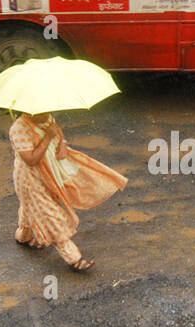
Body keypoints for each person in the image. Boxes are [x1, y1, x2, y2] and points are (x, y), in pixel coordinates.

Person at [10, 111, 127, 272]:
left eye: (47, 111)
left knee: (31, 206)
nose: (46, 115)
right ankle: (74, 258)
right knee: (49, 214)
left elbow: (56, 128)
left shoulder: (45, 116)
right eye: (41, 113)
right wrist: (48, 138)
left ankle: (23, 236)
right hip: (29, 179)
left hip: (50, 174)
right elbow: (30, 160)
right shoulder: (19, 129)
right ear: (28, 112)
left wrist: (62, 144)